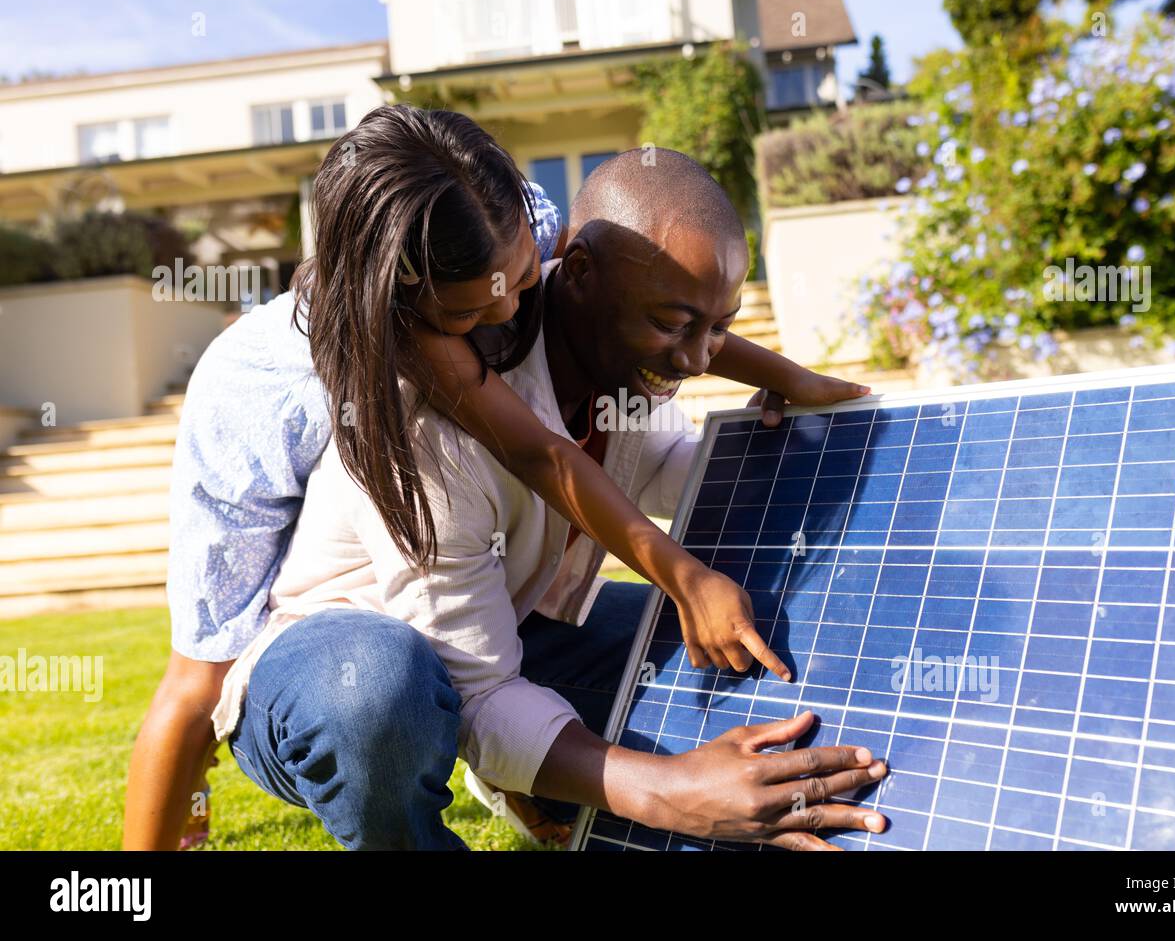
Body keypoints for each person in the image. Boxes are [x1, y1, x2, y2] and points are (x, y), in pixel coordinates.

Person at [124, 106, 889, 850]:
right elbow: (540, 464)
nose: (518, 303)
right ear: (421, 309)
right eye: (483, 302)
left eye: (527, 274)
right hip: (338, 657)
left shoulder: (529, 256)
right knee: (381, 689)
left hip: (494, 624)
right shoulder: (411, 407)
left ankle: (534, 771)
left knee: (754, 636)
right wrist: (669, 790)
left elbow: (662, 436)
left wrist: (795, 432)